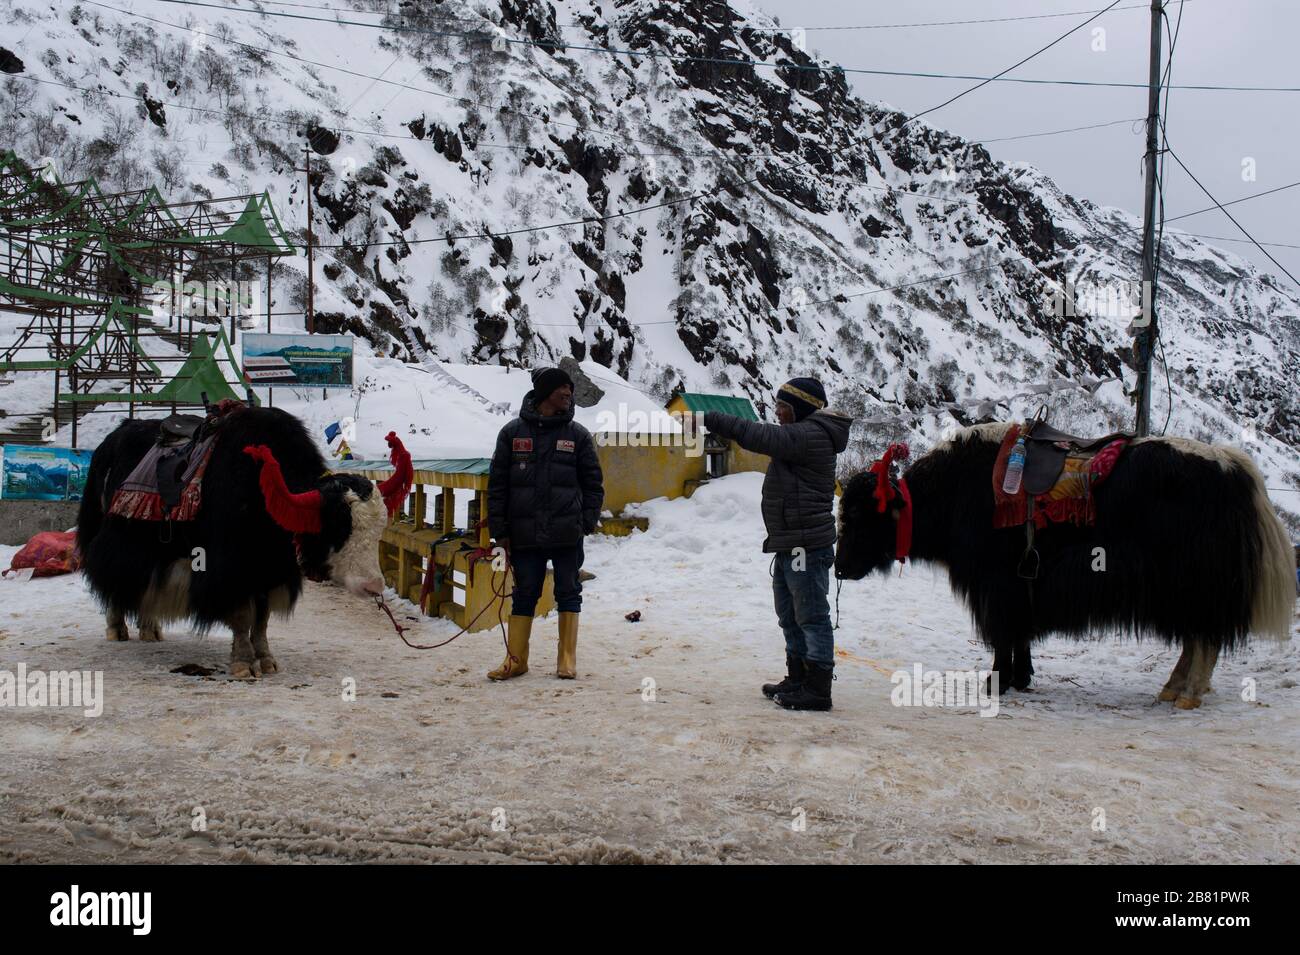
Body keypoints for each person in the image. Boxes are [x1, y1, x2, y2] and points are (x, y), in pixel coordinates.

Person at [703, 377, 852, 711]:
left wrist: (712, 418)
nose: (778, 414)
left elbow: (759, 435)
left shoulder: (811, 435)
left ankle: (818, 688)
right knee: (789, 615)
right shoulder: (803, 433)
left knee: (811, 615)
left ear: (798, 409)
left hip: (805, 544)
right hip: (789, 543)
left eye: (783, 408)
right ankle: (797, 676)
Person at [486, 366, 604, 680]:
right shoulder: (511, 434)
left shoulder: (577, 435)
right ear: (544, 394)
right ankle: (516, 660)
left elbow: (593, 484)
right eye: (561, 389)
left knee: (569, 592)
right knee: (524, 594)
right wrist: (500, 531)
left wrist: (586, 521)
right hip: (524, 534)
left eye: (570, 389)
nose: (568, 393)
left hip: (567, 533)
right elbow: (497, 486)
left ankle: (566, 659)